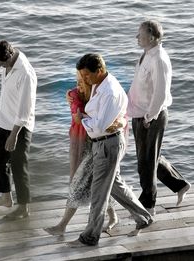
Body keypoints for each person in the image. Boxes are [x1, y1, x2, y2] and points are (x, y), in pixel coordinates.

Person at [67, 53, 153, 248]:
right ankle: (144, 218)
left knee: (98, 193)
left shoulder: (110, 92)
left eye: (87, 75)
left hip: (108, 144)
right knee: (116, 186)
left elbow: (99, 126)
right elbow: (98, 117)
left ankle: (90, 237)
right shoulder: (99, 85)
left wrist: (82, 120)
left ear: (99, 71)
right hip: (105, 143)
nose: (85, 80)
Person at [127, 20, 191, 216]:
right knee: (148, 158)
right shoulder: (146, 54)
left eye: (140, 34)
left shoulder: (159, 59)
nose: (137, 37)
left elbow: (161, 94)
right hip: (139, 113)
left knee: (145, 163)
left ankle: (148, 205)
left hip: (151, 116)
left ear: (152, 37)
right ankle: (179, 185)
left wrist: (149, 116)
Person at [44, 71, 120, 236]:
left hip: (97, 142)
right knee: (88, 182)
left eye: (81, 82)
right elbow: (77, 111)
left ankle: (63, 225)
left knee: (87, 182)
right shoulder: (75, 94)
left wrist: (84, 113)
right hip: (79, 142)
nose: (77, 86)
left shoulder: (99, 95)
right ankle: (113, 215)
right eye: (76, 82)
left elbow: (95, 116)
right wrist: (72, 96)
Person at [0, 40, 37, 219]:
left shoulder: (25, 73)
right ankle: (6, 198)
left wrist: (14, 135)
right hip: (4, 121)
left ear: (7, 57)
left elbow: (25, 109)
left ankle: (24, 208)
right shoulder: (7, 67)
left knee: (18, 166)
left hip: (20, 127)